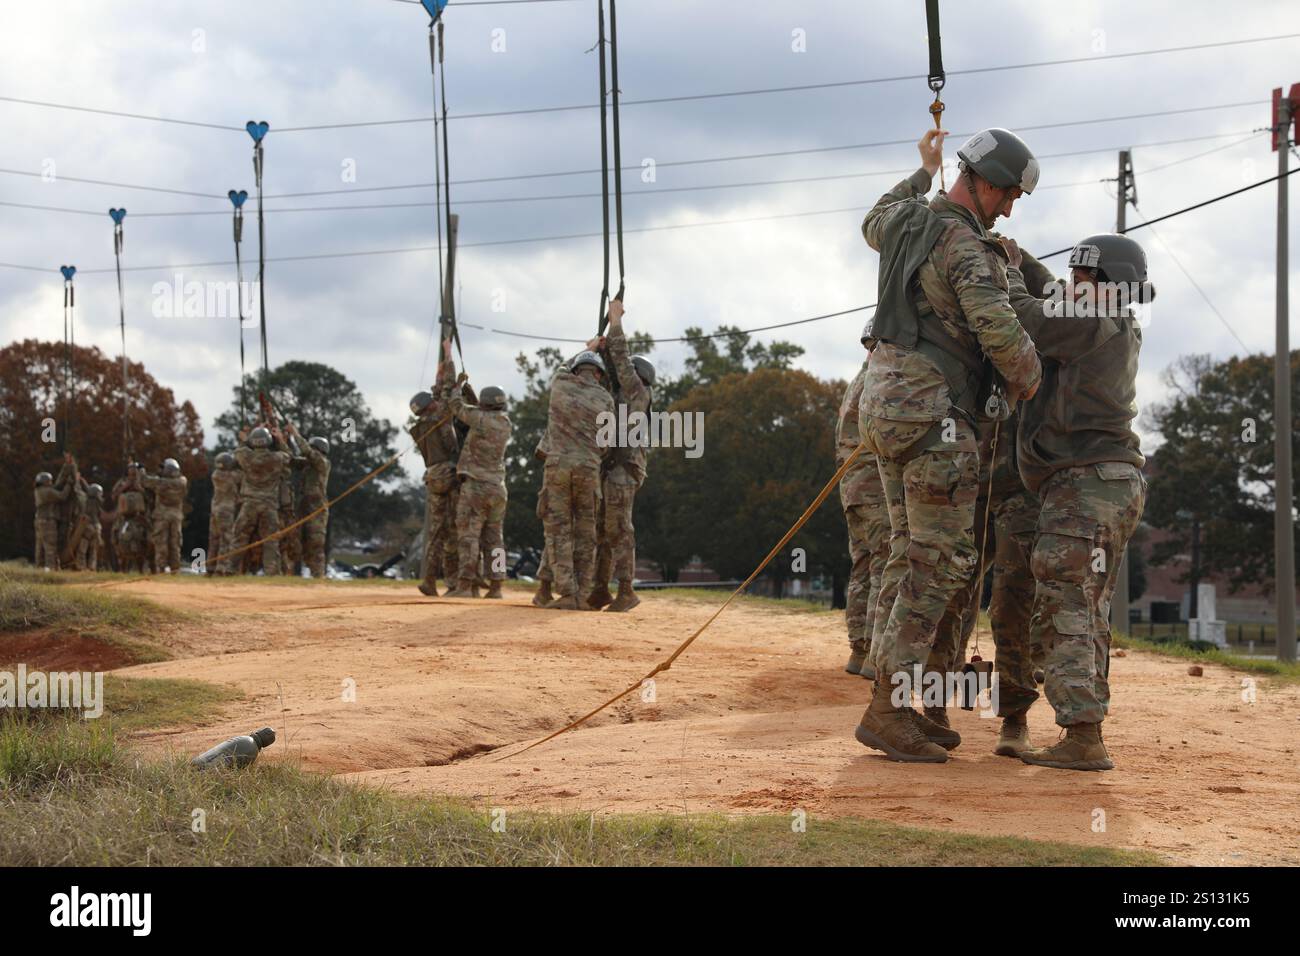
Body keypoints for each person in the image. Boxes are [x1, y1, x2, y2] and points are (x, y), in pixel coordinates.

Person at [854, 126, 1043, 763]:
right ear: (985, 182)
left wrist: (921, 169)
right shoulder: (968, 247)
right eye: (1010, 193)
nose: (1011, 207)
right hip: (936, 415)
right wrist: (1030, 377)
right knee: (937, 564)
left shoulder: (907, 220)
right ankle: (887, 707)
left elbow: (872, 220)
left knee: (907, 554)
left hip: (882, 408)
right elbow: (998, 328)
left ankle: (901, 701)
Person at [1009, 233, 1150, 771]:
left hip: (1082, 484)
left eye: (1082, 276)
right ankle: (1087, 726)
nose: (1072, 284)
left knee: (1064, 602)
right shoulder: (1112, 319)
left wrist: (999, 271)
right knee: (1089, 607)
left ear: (1107, 283)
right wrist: (1026, 262)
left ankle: (1082, 735)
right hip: (1112, 482)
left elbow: (1028, 315)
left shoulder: (1087, 321)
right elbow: (1052, 300)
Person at [587, 299, 654, 612]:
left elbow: (622, 362)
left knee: (618, 530)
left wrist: (615, 322)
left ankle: (626, 590)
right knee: (602, 531)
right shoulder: (621, 395)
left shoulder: (637, 392)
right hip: (611, 469)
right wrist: (594, 352)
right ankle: (600, 588)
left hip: (622, 470)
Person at [539, 342, 615, 609]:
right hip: (588, 467)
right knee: (586, 532)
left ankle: (566, 592)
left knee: (559, 531)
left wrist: (591, 345)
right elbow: (606, 444)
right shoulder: (606, 399)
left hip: (558, 466)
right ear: (599, 374)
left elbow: (561, 366)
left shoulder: (560, 383)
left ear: (576, 369)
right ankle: (583, 594)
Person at [443, 342, 512, 600]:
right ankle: (496, 587)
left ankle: (465, 585)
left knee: (468, 536)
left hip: (476, 486)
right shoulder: (505, 424)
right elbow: (477, 412)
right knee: (495, 540)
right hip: (498, 488)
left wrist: (457, 385)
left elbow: (456, 407)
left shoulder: (479, 419)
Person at [837, 351, 888, 676]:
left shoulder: (858, 380)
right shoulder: (878, 376)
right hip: (872, 485)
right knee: (883, 565)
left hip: (853, 487)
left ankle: (858, 650)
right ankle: (873, 654)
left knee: (863, 567)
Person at [410, 356, 461, 596]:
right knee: (453, 529)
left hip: (432, 476)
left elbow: (439, 396)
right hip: (449, 474)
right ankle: (452, 582)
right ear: (430, 405)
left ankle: (429, 579)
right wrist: (448, 359)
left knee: (435, 532)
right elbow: (447, 394)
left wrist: (438, 376)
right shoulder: (440, 416)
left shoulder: (419, 426)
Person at [231, 425, 291, 575]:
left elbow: (238, 452)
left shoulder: (245, 455)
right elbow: (288, 456)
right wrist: (280, 440)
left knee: (239, 539)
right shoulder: (276, 458)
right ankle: (272, 572)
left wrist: (245, 440)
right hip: (269, 505)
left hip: (249, 504)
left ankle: (230, 570)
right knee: (270, 541)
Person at [287, 424, 332, 579]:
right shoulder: (307, 464)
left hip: (317, 510)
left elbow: (307, 451)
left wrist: (295, 434)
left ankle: (318, 576)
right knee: (295, 543)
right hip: (303, 508)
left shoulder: (322, 462)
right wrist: (283, 439)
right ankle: (292, 574)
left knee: (316, 545)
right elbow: (291, 460)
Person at [141, 458, 188, 573]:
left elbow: (144, 480)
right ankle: (175, 568)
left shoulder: (160, 482)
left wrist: (141, 470)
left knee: (161, 543)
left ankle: (161, 568)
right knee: (175, 544)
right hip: (176, 516)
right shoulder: (182, 481)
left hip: (162, 516)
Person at [33, 457, 76, 570]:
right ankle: (51, 569)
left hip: (39, 520)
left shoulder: (40, 491)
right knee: (50, 547)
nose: (51, 483)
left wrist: (65, 468)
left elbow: (56, 486)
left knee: (40, 547)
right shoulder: (47, 492)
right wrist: (69, 484)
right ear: (46, 482)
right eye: (49, 481)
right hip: (48, 521)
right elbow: (62, 496)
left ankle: (39, 569)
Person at [111, 462, 150, 573]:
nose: (132, 475)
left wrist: (140, 489)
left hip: (139, 518)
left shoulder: (144, 483)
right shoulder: (122, 482)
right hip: (123, 518)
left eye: (135, 473)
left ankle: (143, 568)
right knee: (116, 536)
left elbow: (150, 499)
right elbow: (113, 496)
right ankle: (122, 567)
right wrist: (124, 487)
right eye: (130, 473)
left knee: (147, 538)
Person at [208, 451, 241, 575]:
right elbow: (242, 475)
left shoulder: (216, 474)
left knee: (213, 540)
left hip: (215, 510)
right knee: (225, 540)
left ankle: (210, 567)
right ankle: (221, 567)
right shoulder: (232, 476)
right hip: (226, 511)